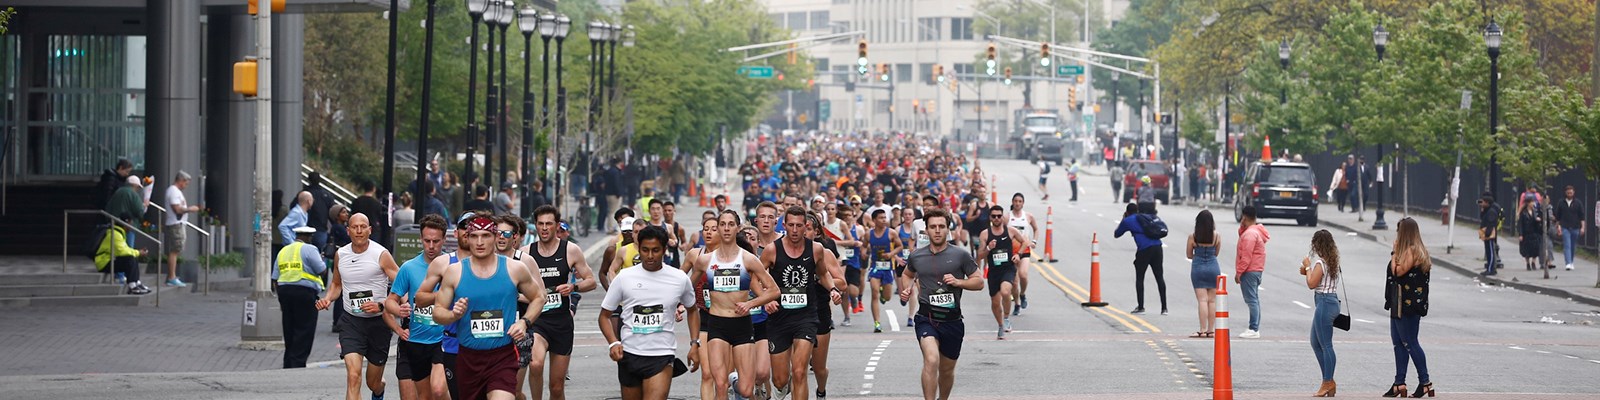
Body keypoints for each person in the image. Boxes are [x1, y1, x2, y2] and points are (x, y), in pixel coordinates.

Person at [428, 214, 548, 400]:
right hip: (468, 357)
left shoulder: (514, 268)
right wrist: (453, 315)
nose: (480, 242)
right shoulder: (454, 272)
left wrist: (524, 322)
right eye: (474, 236)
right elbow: (437, 313)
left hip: (503, 356)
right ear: (467, 238)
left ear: (495, 237)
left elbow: (539, 297)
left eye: (486, 236)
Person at [688, 210, 778, 400]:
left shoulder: (748, 259)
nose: (726, 228)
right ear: (719, 228)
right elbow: (687, 287)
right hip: (717, 324)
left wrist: (751, 303)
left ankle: (736, 381)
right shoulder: (705, 260)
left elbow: (774, 290)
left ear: (737, 228)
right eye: (723, 224)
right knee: (720, 384)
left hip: (742, 325)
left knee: (746, 390)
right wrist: (682, 305)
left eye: (731, 224)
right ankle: (730, 382)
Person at [599, 225, 695, 400]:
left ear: (664, 250)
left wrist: (695, 343)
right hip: (629, 354)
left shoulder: (679, 278)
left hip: (661, 354)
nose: (650, 256)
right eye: (645, 250)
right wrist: (613, 343)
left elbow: (693, 310)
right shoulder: (624, 277)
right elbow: (604, 316)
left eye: (655, 250)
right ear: (638, 248)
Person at [898, 208, 983, 400]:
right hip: (926, 318)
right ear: (926, 230)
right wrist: (907, 288)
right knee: (931, 360)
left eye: (941, 227)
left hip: (952, 321)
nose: (937, 230)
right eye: (933, 227)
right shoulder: (917, 256)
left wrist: (959, 282)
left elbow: (979, 282)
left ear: (948, 230)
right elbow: (907, 274)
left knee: (946, 370)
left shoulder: (961, 255)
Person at [759, 206, 843, 400]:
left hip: (806, 317)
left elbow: (822, 274)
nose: (795, 230)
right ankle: (783, 386)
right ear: (784, 226)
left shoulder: (816, 249)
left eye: (799, 225)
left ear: (806, 226)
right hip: (779, 319)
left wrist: (832, 289)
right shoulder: (772, 250)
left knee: (799, 372)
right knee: (779, 380)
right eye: (791, 225)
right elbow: (756, 278)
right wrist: (765, 300)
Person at [315, 214, 402, 400]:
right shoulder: (341, 254)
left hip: (379, 323)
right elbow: (337, 284)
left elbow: (402, 283)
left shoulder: (381, 254)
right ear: (348, 231)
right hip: (351, 322)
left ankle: (379, 390)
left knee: (373, 383)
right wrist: (328, 299)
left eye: (363, 226)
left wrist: (383, 305)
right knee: (353, 377)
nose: (359, 231)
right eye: (355, 227)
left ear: (370, 229)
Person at [521, 206, 598, 400]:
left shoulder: (570, 250)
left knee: (556, 387)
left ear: (557, 225)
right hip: (537, 320)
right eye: (540, 224)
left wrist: (574, 288)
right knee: (535, 363)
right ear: (535, 226)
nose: (544, 228)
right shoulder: (525, 253)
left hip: (561, 323)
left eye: (549, 224)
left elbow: (591, 281)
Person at [383, 214, 449, 399]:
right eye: (427, 240)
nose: (431, 246)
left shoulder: (453, 267)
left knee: (437, 390)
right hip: (413, 341)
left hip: (441, 341)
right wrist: (398, 310)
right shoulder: (409, 268)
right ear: (421, 239)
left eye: (436, 241)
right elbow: (390, 301)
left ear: (444, 239)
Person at [1383, 218, 1434, 398]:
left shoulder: (1413, 251)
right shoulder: (1410, 250)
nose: (1396, 234)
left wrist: (1394, 251)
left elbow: (1398, 270)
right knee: (1398, 343)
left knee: (1410, 342)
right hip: (1399, 303)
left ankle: (1425, 382)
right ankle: (1399, 382)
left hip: (1408, 306)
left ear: (1404, 233)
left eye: (1398, 231)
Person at [1297, 229, 1343, 397]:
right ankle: (1328, 380)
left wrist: (1308, 266)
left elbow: (1311, 283)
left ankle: (1328, 381)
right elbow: (1315, 279)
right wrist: (1308, 271)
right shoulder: (1332, 262)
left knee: (1325, 344)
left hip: (1324, 303)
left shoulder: (1320, 263)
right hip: (1330, 301)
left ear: (1317, 244)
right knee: (1316, 343)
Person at [275, 226, 324, 368]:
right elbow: (321, 270)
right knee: (304, 329)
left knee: (289, 328)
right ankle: (297, 364)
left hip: (284, 292)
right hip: (304, 293)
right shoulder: (310, 249)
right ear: (309, 237)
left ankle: (288, 363)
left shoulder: (283, 251)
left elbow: (275, 276)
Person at [978, 205, 1029, 339]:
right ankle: (1000, 325)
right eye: (993, 216)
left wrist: (1018, 254)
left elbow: (1024, 242)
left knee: (1006, 291)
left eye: (999, 216)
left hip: (1008, 268)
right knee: (995, 302)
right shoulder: (985, 234)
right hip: (994, 271)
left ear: (1003, 217)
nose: (996, 218)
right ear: (990, 217)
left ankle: (1006, 317)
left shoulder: (1010, 231)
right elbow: (980, 255)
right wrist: (989, 247)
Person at [1114, 203, 1168, 315]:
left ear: (1127, 212)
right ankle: (1164, 308)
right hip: (1158, 247)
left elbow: (1117, 234)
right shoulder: (1145, 218)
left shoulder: (1128, 220)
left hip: (1144, 250)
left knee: (1140, 277)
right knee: (1159, 277)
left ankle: (1141, 307)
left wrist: (1124, 219)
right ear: (1137, 210)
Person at [96, 208, 152, 295]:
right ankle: (132, 285)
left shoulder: (119, 232)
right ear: (126, 222)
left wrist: (137, 252)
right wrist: (138, 252)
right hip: (104, 263)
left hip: (109, 260)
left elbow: (125, 249)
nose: (131, 225)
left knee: (132, 257)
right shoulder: (115, 234)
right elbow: (122, 251)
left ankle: (137, 282)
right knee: (129, 259)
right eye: (130, 223)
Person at [865, 208, 902, 333]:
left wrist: (891, 254)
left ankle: (883, 294)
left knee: (887, 297)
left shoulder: (891, 233)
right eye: (881, 218)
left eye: (885, 218)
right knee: (874, 292)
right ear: (874, 220)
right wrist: (864, 253)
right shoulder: (869, 234)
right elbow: (864, 246)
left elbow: (900, 246)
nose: (884, 220)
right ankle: (877, 323)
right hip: (875, 266)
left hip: (887, 267)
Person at [1235, 206, 1269, 338]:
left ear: (1244, 217)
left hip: (1250, 270)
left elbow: (1246, 256)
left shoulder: (1250, 235)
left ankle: (1253, 328)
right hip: (1256, 269)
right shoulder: (1254, 231)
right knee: (1254, 299)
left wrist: (1239, 272)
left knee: (1251, 300)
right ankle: (1254, 327)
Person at [1186, 210, 1221, 338]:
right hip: (1213, 267)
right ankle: (1211, 330)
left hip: (1198, 268)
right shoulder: (1216, 236)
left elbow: (1189, 255)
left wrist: (1198, 255)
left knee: (1202, 300)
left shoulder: (1193, 236)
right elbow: (1216, 253)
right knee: (1212, 301)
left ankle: (1202, 329)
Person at [162, 171, 200, 288]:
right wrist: (190, 209)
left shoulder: (175, 191)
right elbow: (177, 209)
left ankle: (172, 276)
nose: (186, 186)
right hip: (176, 223)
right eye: (186, 183)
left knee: (176, 250)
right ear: (181, 180)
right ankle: (171, 276)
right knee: (175, 250)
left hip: (178, 223)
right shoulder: (173, 191)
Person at [1005, 193, 1038, 315]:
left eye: (1020, 201)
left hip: (1024, 250)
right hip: (1011, 251)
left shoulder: (1028, 216)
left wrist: (1034, 241)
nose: (1017, 203)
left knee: (1023, 275)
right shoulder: (1007, 217)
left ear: (1023, 203)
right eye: (1015, 201)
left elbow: (1036, 229)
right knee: (1014, 282)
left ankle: (1022, 294)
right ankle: (1017, 303)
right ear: (1012, 202)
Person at [1552, 185, 1586, 271]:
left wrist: (1582, 227)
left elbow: (1582, 216)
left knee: (1573, 245)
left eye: (1571, 192)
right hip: (1565, 226)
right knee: (1567, 244)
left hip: (1575, 227)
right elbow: (1558, 216)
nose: (1569, 194)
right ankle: (1568, 263)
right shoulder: (1561, 202)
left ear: (1573, 192)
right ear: (1565, 193)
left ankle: (1571, 261)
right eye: (1568, 193)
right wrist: (1558, 226)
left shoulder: (1578, 203)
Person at [305, 172, 336, 250]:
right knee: (320, 254)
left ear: (308, 180)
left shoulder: (304, 194)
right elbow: (333, 212)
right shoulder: (326, 195)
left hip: (306, 230)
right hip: (321, 229)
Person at [1478, 194, 1504, 276]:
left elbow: (1491, 223)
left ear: (1487, 203)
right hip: (1486, 233)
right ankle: (1489, 268)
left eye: (1483, 202)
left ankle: (1491, 269)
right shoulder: (1487, 210)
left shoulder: (1491, 211)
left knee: (1491, 251)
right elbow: (1482, 218)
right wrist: (1482, 210)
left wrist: (1487, 234)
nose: (1481, 204)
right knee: (1488, 251)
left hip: (1489, 234)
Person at [1518, 196, 1546, 271]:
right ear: (1528, 203)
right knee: (1526, 249)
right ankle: (1527, 263)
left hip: (1534, 232)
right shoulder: (1523, 213)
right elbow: (1520, 224)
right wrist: (1520, 234)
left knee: (1535, 248)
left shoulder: (1535, 211)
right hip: (1526, 233)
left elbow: (1540, 218)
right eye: (1532, 202)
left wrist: (1538, 220)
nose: (1533, 203)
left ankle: (1533, 261)